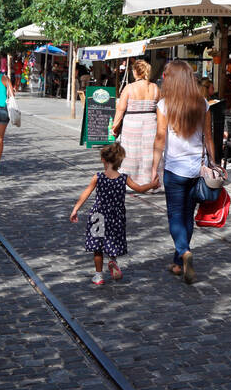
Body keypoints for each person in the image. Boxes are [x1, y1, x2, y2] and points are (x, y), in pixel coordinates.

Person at [151, 60, 216, 284]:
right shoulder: (203, 104)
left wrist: (153, 168)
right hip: (197, 169)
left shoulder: (164, 105)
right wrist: (214, 163)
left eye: (166, 75)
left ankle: (183, 251)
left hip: (175, 169)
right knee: (188, 216)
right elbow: (209, 137)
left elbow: (160, 138)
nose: (164, 79)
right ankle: (178, 263)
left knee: (175, 216)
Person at [71, 142, 154, 286]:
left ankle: (98, 275)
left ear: (103, 159)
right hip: (116, 217)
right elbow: (140, 189)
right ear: (119, 161)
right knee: (113, 241)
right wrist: (153, 184)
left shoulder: (98, 177)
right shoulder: (124, 178)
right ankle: (113, 260)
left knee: (97, 246)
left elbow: (86, 193)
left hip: (98, 215)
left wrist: (76, 209)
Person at [112, 59, 160, 192]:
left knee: (131, 152)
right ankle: (151, 182)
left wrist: (114, 127)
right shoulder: (155, 88)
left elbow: (120, 109)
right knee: (149, 152)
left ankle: (131, 183)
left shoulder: (130, 88)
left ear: (135, 72)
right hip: (151, 122)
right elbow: (160, 108)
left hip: (132, 123)